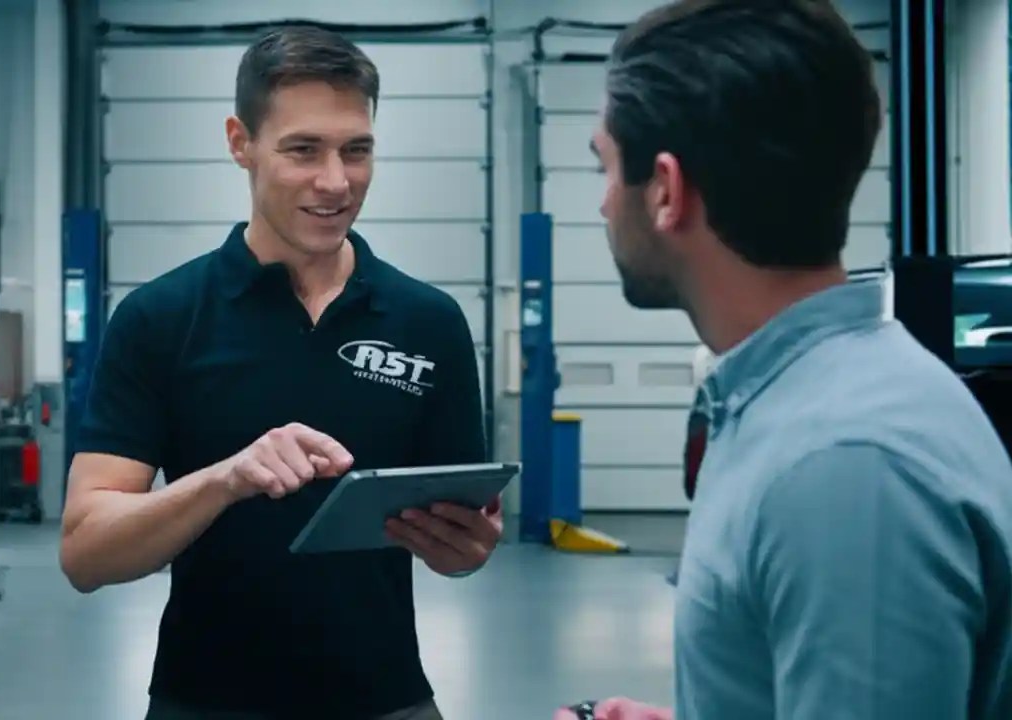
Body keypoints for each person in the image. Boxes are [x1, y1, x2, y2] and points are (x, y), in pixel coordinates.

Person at [555, 1, 1012, 718]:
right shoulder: (804, 403)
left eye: (606, 168)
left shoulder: (843, 466)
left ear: (667, 191)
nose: (604, 205)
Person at [59, 24, 501, 720]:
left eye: (356, 150)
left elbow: (458, 551)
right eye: (303, 150)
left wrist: (465, 547)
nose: (336, 182)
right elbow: (86, 552)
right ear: (241, 142)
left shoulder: (429, 323)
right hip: (205, 702)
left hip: (386, 701)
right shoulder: (160, 319)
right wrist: (225, 480)